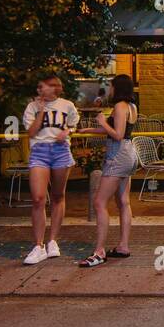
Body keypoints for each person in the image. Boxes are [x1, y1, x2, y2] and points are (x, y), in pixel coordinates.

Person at [75, 75, 138, 268]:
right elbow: (122, 131)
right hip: (129, 153)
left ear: (117, 88)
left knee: (99, 202)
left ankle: (99, 252)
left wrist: (102, 122)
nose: (108, 89)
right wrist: (90, 130)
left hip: (117, 156)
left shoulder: (119, 106)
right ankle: (123, 246)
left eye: (110, 86)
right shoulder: (131, 107)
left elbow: (117, 135)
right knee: (123, 202)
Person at [21, 73, 79, 265]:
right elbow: (30, 132)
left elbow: (73, 125)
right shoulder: (32, 107)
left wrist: (67, 131)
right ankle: (38, 245)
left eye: (42, 86)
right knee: (38, 198)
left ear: (54, 87)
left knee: (58, 196)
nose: (39, 90)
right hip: (40, 150)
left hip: (61, 150)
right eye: (37, 87)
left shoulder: (67, 105)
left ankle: (52, 241)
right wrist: (41, 111)